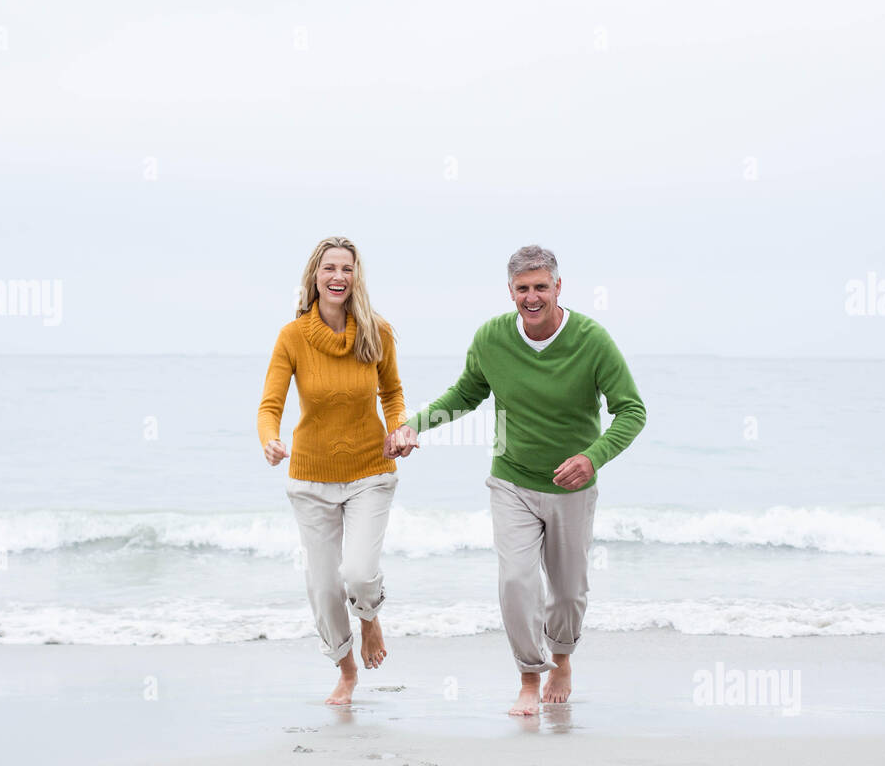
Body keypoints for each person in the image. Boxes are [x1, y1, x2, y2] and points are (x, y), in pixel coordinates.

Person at [387, 245, 645, 716]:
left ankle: (561, 659)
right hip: (512, 481)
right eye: (523, 288)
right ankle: (529, 675)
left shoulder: (592, 339)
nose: (532, 297)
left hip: (572, 488)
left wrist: (594, 457)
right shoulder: (492, 338)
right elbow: (466, 393)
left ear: (558, 287)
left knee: (568, 591)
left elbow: (632, 410)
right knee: (516, 582)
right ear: (510, 291)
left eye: (541, 287)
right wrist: (413, 426)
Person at [258, 236, 408, 705]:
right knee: (324, 588)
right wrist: (270, 441)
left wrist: (399, 428)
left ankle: (370, 619)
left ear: (355, 277)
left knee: (360, 574)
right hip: (310, 478)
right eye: (330, 268)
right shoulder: (292, 336)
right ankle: (346, 670)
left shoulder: (376, 332)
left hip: (370, 470)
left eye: (346, 268)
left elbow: (393, 394)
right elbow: (270, 406)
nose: (338, 276)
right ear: (315, 277)